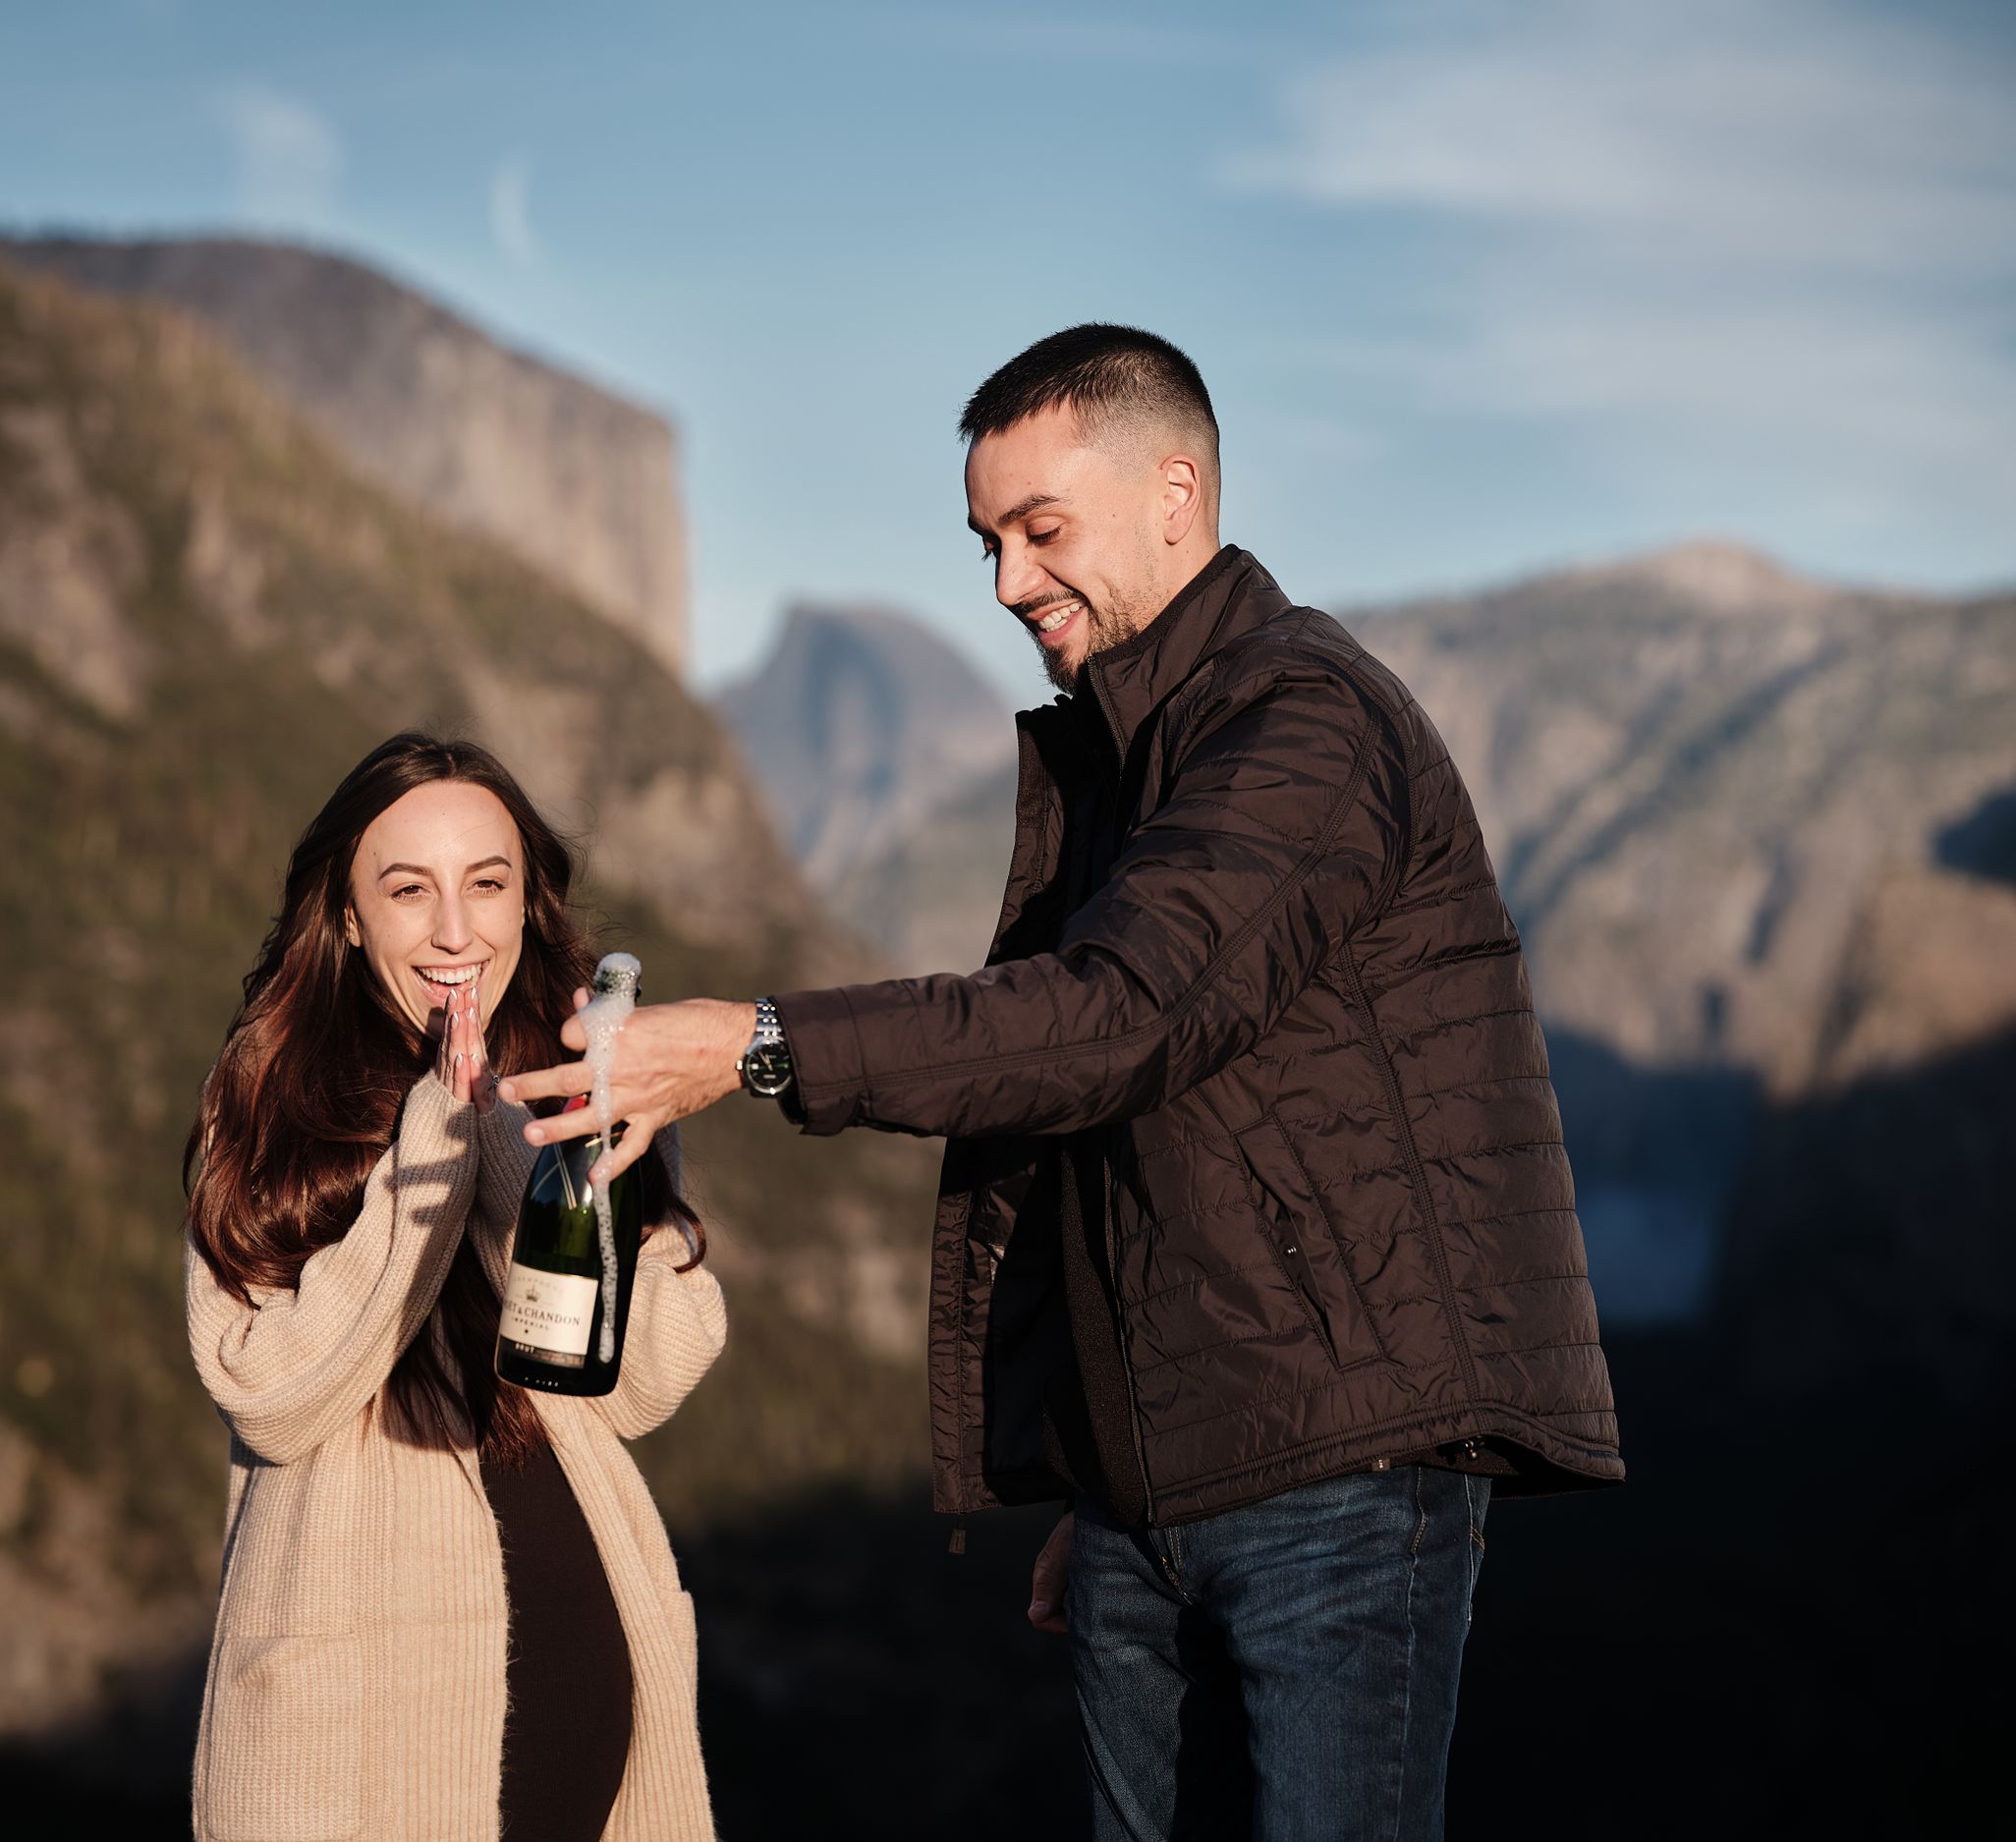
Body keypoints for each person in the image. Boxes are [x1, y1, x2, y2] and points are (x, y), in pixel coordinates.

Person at [501, 325, 1624, 1840]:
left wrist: (753, 1042)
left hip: (1338, 1488)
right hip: (1153, 1502)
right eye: (988, 542)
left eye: (1041, 529)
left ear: (1176, 493)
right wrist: (1114, 1464)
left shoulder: (1303, 722)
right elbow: (1108, 1144)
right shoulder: (1125, 753)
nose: (1008, 581)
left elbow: (1116, 1022)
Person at [182, 732, 725, 1842]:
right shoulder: (266, 1101)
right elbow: (269, 1395)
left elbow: (643, 1384)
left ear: (527, 902)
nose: (454, 930)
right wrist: (435, 1141)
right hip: (351, 1758)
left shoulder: (589, 1084)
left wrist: (522, 1152)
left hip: (591, 1740)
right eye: (407, 890)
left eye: (486, 884)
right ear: (347, 916)